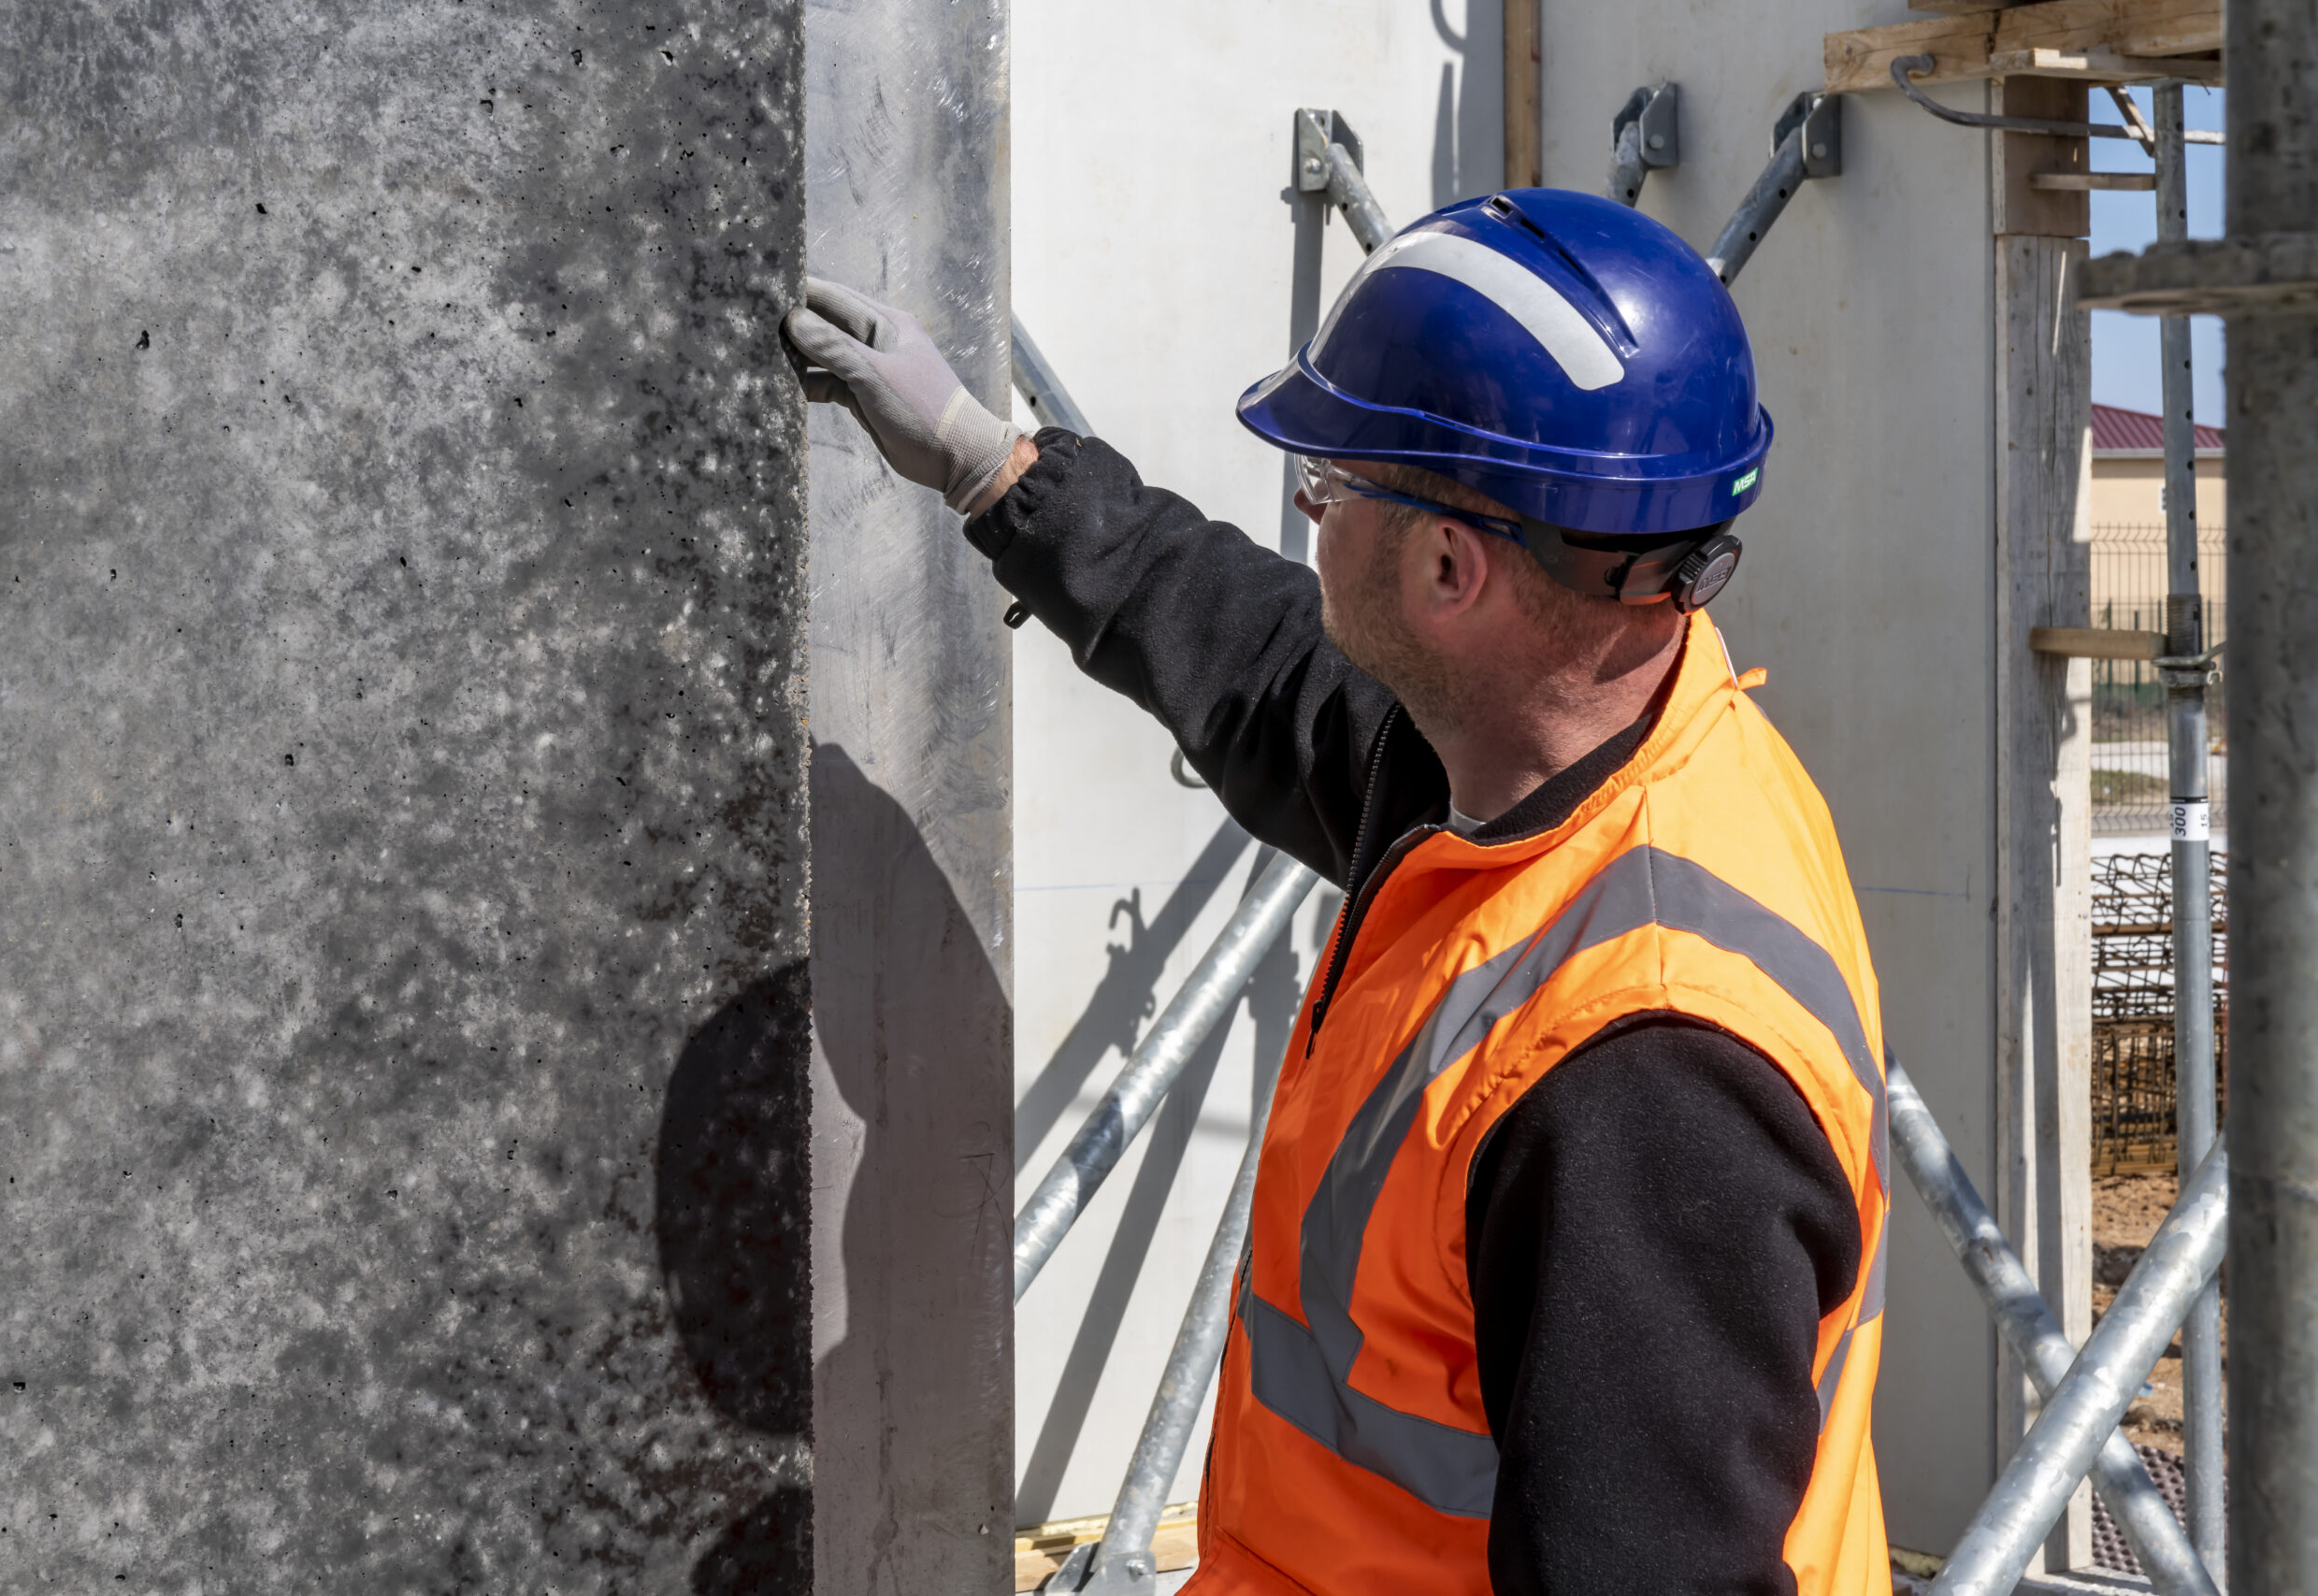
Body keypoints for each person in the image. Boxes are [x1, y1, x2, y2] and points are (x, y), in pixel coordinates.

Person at [785, 188, 1891, 1596]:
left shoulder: (1639, 1077)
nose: (1310, 514)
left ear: (1448, 566)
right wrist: (993, 469)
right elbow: (1272, 675)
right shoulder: (1576, 737)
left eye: (1330, 486)